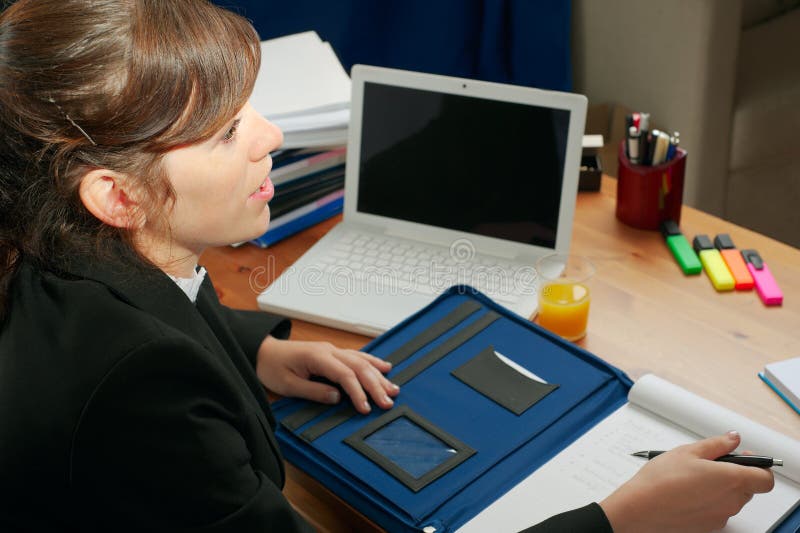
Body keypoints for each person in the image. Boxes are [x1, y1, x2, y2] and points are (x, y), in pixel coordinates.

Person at [0, 1, 774, 532]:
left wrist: (259, 350)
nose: (269, 135)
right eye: (226, 132)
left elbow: (166, 302)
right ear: (117, 195)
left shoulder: (61, 250)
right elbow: (140, 371)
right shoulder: (139, 389)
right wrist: (619, 520)